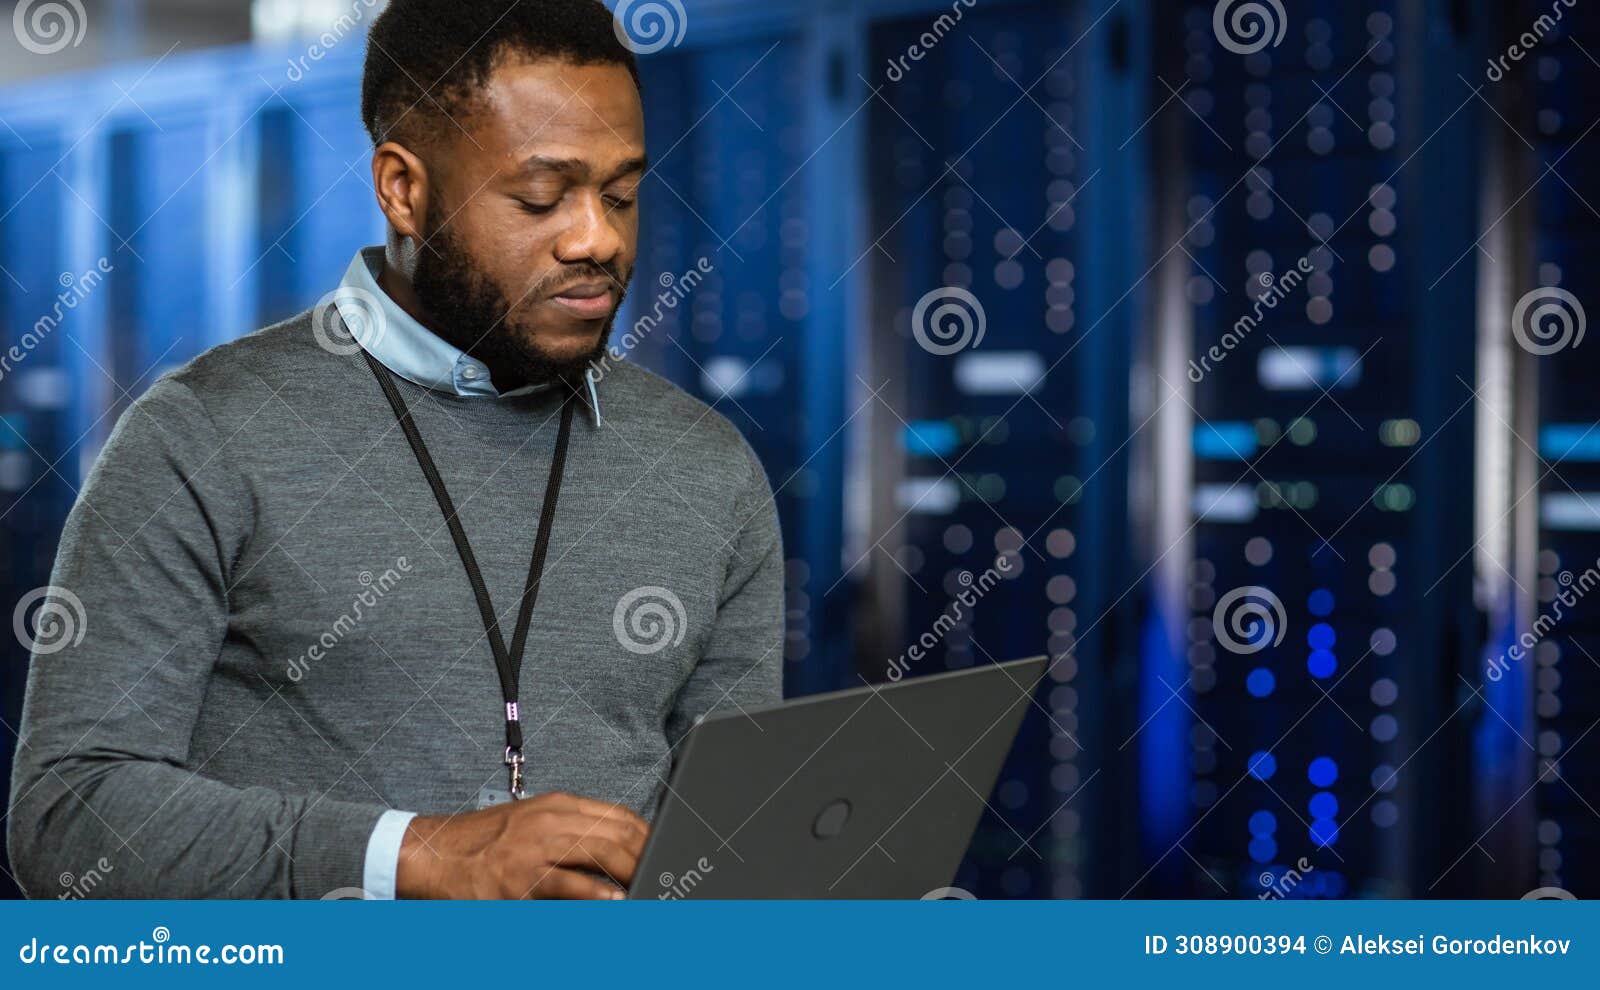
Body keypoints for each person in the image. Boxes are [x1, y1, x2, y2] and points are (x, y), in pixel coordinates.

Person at [6, 0, 782, 900]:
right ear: (403, 189)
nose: (597, 239)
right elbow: (68, 817)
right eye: (541, 197)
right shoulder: (200, 437)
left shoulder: (707, 468)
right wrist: (417, 856)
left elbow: (733, 833)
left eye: (621, 194)